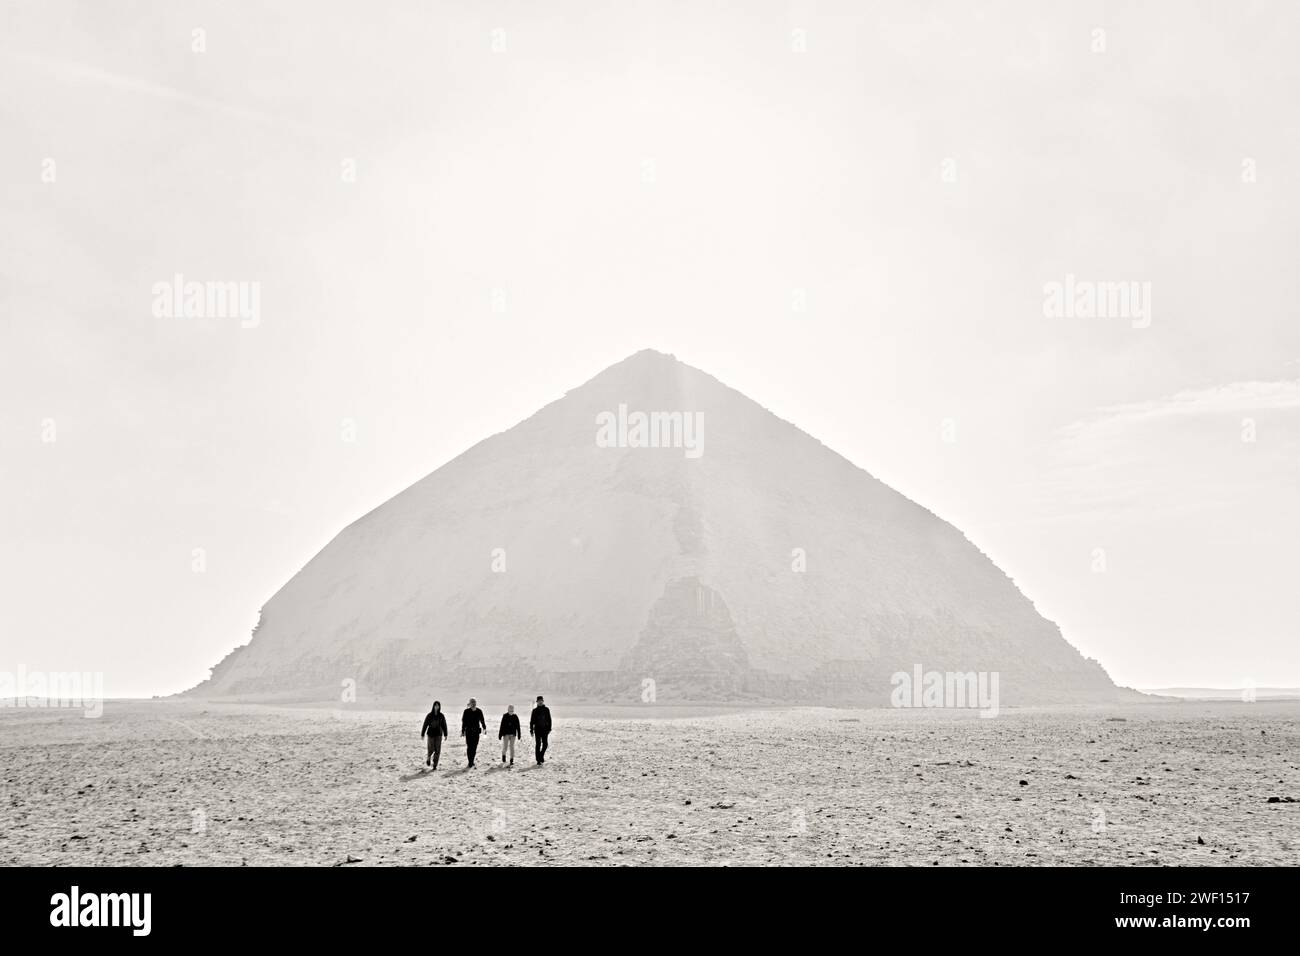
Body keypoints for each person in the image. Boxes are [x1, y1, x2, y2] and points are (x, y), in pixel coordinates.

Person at [421, 700, 448, 769]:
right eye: (435, 705)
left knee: (437, 750)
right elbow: (425, 724)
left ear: (439, 707)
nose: (436, 707)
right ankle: (428, 758)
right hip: (431, 734)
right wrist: (422, 734)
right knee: (430, 749)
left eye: (438, 705)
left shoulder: (441, 716)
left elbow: (444, 725)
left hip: (438, 734)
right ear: (433, 706)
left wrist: (445, 734)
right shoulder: (429, 715)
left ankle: (435, 764)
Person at [460, 698, 487, 767]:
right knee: (469, 747)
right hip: (468, 732)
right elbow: (464, 722)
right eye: (472, 702)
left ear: (476, 703)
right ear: (470, 703)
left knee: (474, 747)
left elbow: (482, 720)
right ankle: (470, 762)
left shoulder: (479, 711)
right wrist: (462, 731)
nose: (473, 703)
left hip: (476, 732)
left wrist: (484, 728)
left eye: (474, 702)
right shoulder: (466, 711)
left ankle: (472, 760)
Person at [529, 695, 552, 764]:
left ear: (543, 701)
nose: (540, 702)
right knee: (538, 744)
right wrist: (531, 730)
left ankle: (541, 756)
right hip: (537, 730)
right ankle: (538, 760)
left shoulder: (546, 709)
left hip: (545, 730)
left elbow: (549, 719)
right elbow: (532, 721)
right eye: (539, 701)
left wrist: (549, 728)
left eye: (541, 701)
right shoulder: (535, 711)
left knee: (545, 744)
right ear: (537, 702)